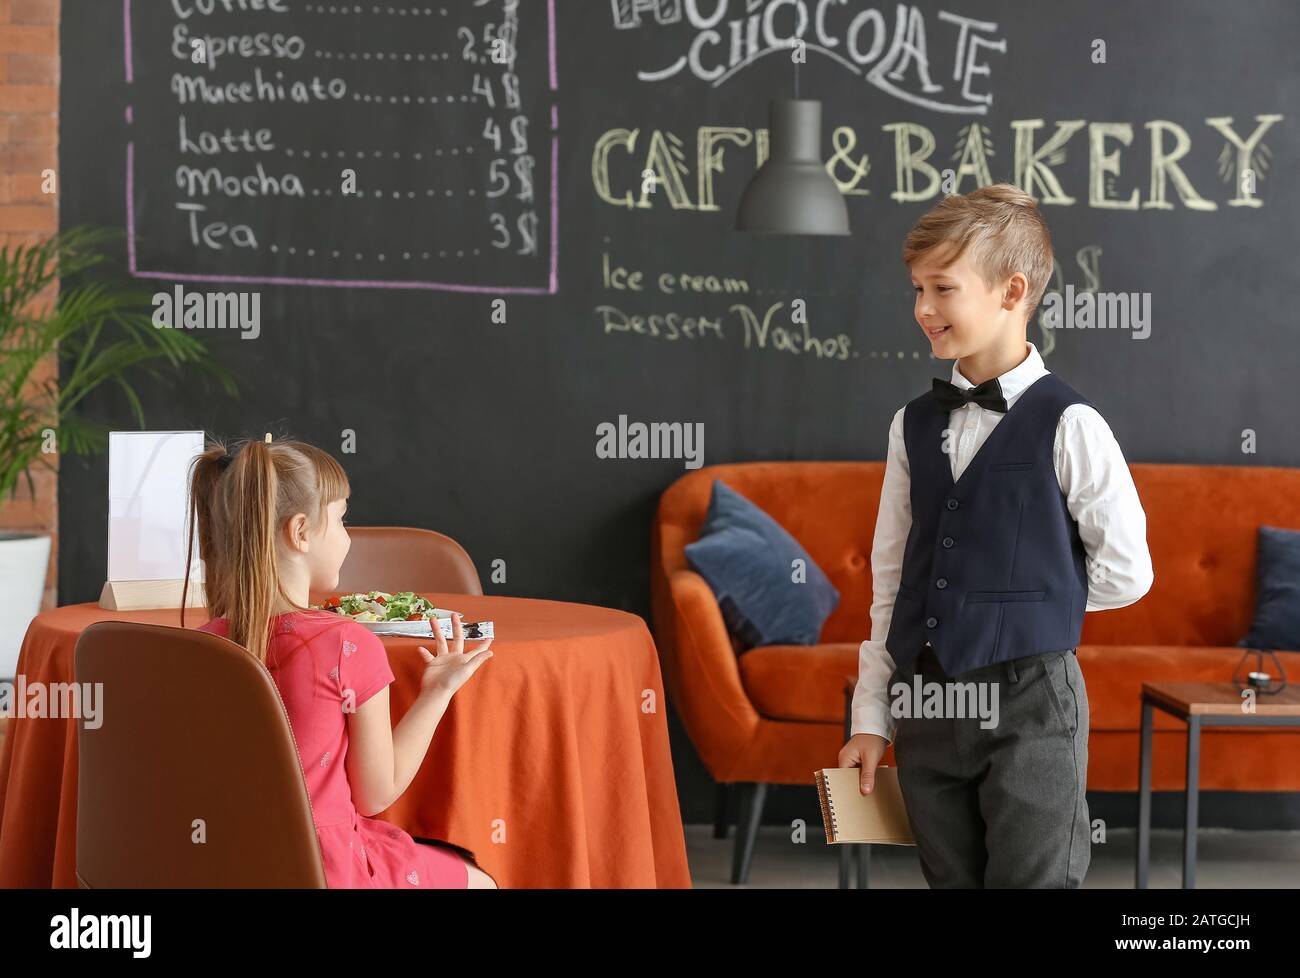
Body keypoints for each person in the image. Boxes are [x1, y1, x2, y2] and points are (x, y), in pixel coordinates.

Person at [837, 184, 1154, 888]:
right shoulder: (910, 425)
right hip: (924, 702)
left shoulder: (1072, 425)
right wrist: (870, 720)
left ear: (1013, 291)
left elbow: (1128, 571)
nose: (922, 308)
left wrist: (1020, 607)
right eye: (917, 288)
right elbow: (893, 582)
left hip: (1030, 703)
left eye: (942, 288)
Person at [183, 435, 497, 888]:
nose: (349, 537)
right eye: (342, 520)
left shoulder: (203, 645)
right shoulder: (348, 643)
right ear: (301, 533)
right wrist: (437, 691)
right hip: (325, 869)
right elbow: (376, 792)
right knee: (481, 882)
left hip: (222, 864)